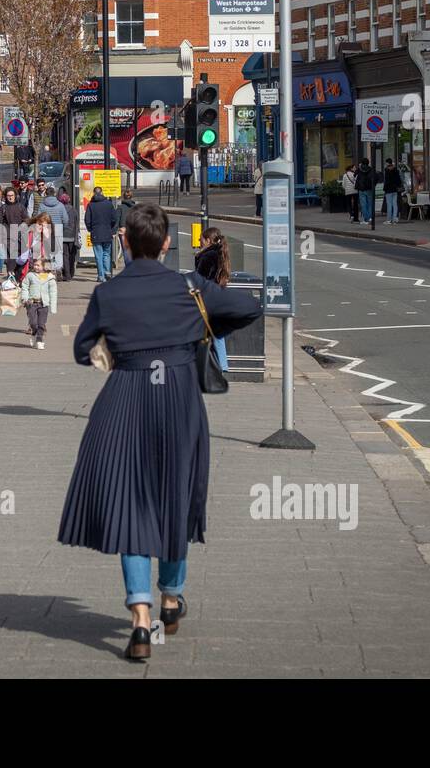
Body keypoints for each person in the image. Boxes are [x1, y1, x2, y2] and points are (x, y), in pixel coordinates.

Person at [59, 204, 262, 661]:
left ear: (125, 243)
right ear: (168, 244)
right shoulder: (190, 287)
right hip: (178, 399)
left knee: (131, 503)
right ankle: (171, 598)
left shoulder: (109, 292)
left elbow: (80, 349)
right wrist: (201, 332)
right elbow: (250, 306)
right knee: (175, 498)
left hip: (125, 399)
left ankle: (140, 620)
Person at [193, 228, 232, 372]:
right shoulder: (219, 253)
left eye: (201, 239)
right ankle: (221, 365)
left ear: (208, 241)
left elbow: (201, 279)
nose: (199, 242)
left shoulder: (207, 256)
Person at [21, 255, 58, 350]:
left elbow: (53, 293)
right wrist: (25, 298)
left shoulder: (50, 278)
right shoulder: (30, 275)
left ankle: (39, 339)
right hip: (31, 303)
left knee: (41, 323)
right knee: (33, 323)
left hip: (43, 304)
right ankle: (34, 333)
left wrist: (53, 307)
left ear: (44, 267)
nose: (36, 267)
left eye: (38, 265)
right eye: (35, 265)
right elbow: (25, 286)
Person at [84, 185, 119, 283]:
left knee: (98, 255)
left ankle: (101, 276)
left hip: (96, 233)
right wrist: (111, 230)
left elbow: (87, 220)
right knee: (106, 253)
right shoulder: (108, 204)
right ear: (102, 192)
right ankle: (107, 272)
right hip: (107, 233)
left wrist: (91, 229)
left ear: (94, 193)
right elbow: (114, 219)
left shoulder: (91, 205)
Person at [39, 186, 69, 273]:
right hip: (58, 228)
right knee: (59, 250)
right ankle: (58, 267)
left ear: (46, 194)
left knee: (48, 250)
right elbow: (65, 219)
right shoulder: (60, 205)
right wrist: (63, 227)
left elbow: (39, 218)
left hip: (46, 229)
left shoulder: (42, 205)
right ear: (54, 194)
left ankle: (51, 268)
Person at [59, 189, 79, 281]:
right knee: (72, 255)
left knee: (65, 255)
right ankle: (71, 272)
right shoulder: (73, 210)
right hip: (72, 235)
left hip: (62, 235)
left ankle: (66, 275)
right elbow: (76, 223)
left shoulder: (60, 210)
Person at [114, 192, 137, 269]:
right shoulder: (136, 208)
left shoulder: (120, 207)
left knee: (126, 251)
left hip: (123, 230)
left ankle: (129, 268)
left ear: (124, 197)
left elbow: (117, 220)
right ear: (131, 197)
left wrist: (114, 231)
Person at [355, 158, 375, 225]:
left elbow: (354, 175)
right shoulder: (371, 169)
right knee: (370, 203)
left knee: (363, 204)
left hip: (361, 189)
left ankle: (366, 219)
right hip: (369, 188)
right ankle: (370, 218)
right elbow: (375, 177)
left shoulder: (359, 169)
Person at [383, 159, 403, 225]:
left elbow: (387, 181)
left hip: (389, 190)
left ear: (387, 163)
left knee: (389, 205)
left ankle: (389, 219)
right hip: (395, 190)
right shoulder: (396, 170)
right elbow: (399, 180)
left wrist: (385, 188)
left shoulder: (387, 170)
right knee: (395, 204)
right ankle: (395, 218)